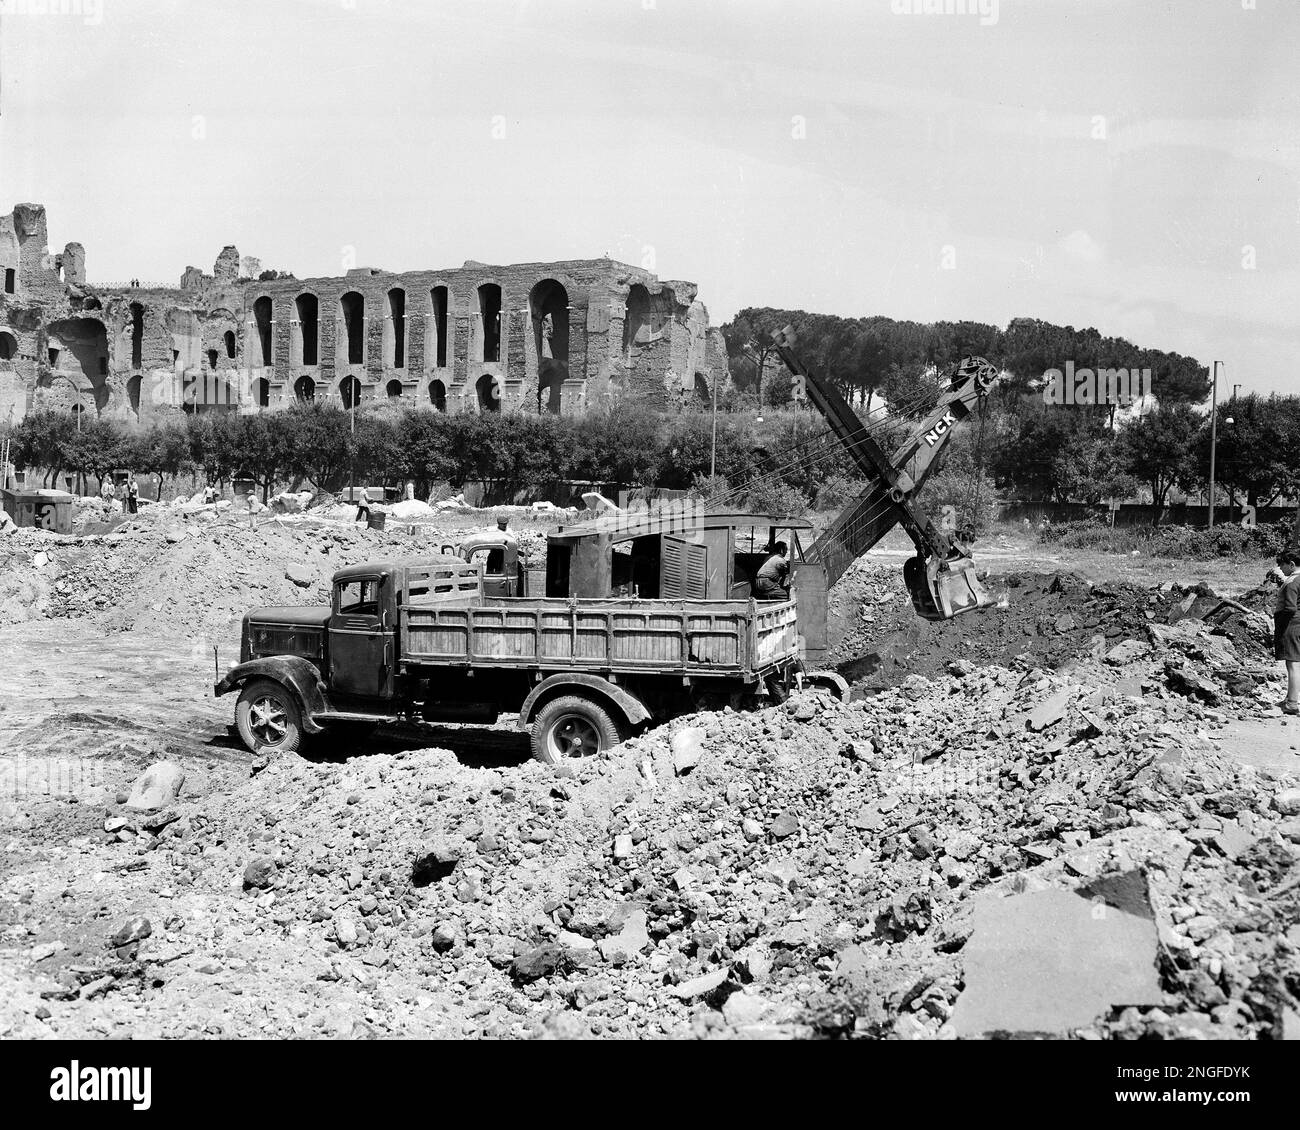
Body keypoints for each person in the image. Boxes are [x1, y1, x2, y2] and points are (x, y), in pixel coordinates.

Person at [1270, 550, 1300, 715]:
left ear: (1292, 564)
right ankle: (1290, 697)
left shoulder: (1292, 582)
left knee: (1293, 663)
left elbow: (1289, 608)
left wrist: (1280, 626)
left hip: (1292, 624)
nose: (1280, 568)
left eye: (1282, 564)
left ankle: (1292, 703)